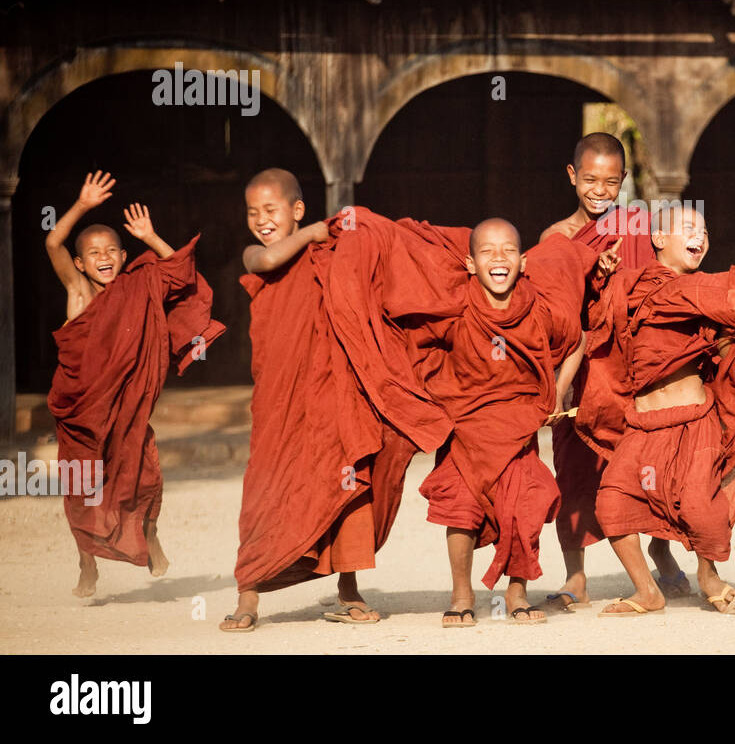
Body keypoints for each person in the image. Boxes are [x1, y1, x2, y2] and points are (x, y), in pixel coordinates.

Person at [220, 170, 429, 633]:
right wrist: (316, 231)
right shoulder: (256, 253)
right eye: (252, 212)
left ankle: (348, 589)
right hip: (280, 399)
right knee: (265, 487)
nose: (260, 220)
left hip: (333, 392)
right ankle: (248, 593)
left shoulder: (330, 255)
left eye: (270, 210)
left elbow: (381, 269)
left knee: (348, 478)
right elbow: (266, 259)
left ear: (296, 209)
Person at [580, 205, 735, 615]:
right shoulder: (630, 283)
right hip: (643, 424)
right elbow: (594, 314)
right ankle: (647, 591)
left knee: (700, 507)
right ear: (658, 239)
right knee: (611, 502)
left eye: (705, 229)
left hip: (694, 420)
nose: (701, 235)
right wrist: (598, 274)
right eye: (689, 228)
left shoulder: (704, 293)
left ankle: (708, 576)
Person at [45, 170, 225, 597]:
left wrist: (151, 236)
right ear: (79, 263)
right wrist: (83, 205)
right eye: (93, 252)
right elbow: (53, 242)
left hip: (124, 412)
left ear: (125, 256)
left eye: (112, 250)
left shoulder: (138, 284)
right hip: (81, 413)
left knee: (146, 477)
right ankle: (86, 563)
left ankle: (151, 536)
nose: (103, 257)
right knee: (81, 488)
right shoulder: (78, 293)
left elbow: (179, 274)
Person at [414, 218, 595, 626]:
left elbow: (578, 339)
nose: (499, 258)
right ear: (470, 263)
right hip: (467, 428)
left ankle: (516, 592)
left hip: (518, 430)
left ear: (524, 262)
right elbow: (417, 343)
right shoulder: (456, 306)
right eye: (487, 251)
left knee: (526, 505)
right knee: (460, 506)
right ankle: (462, 594)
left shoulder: (538, 308)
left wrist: (555, 390)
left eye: (509, 250)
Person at [538, 132, 687, 609]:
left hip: (635, 368)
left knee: (652, 467)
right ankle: (576, 576)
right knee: (576, 470)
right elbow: (555, 309)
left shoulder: (642, 227)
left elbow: (671, 279)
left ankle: (662, 554)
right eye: (589, 180)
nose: (600, 190)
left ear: (623, 180)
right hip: (583, 369)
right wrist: (587, 264)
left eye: (610, 181)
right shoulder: (557, 236)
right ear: (571, 177)